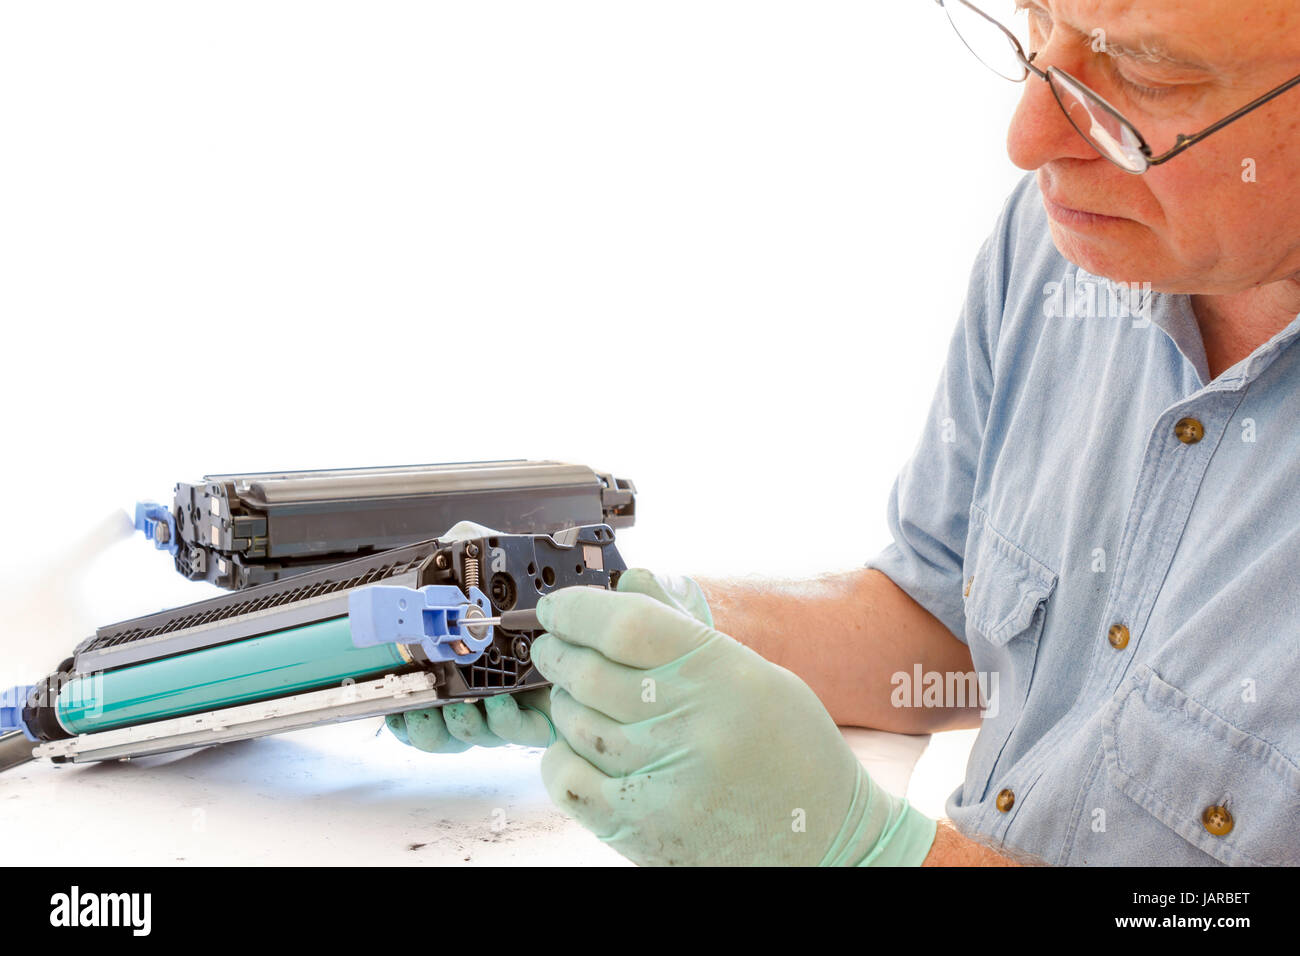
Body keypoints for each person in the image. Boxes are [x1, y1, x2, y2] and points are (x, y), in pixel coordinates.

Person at [389, 0, 1300, 865]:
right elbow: (941, 626)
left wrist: (863, 852)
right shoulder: (1079, 237)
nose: (1029, 140)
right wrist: (647, 630)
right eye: (1039, 24)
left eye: (1142, 72)